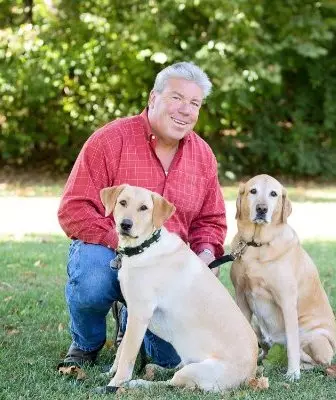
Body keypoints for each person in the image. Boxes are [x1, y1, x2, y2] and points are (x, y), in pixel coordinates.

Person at [57, 62, 227, 369]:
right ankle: (87, 342)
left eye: (194, 103)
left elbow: (210, 221)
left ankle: (132, 320)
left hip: (168, 271)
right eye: (176, 98)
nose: (185, 110)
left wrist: (205, 255)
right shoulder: (109, 140)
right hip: (110, 253)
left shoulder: (203, 156)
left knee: (170, 359)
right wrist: (122, 242)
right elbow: (73, 208)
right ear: (153, 98)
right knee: (92, 281)